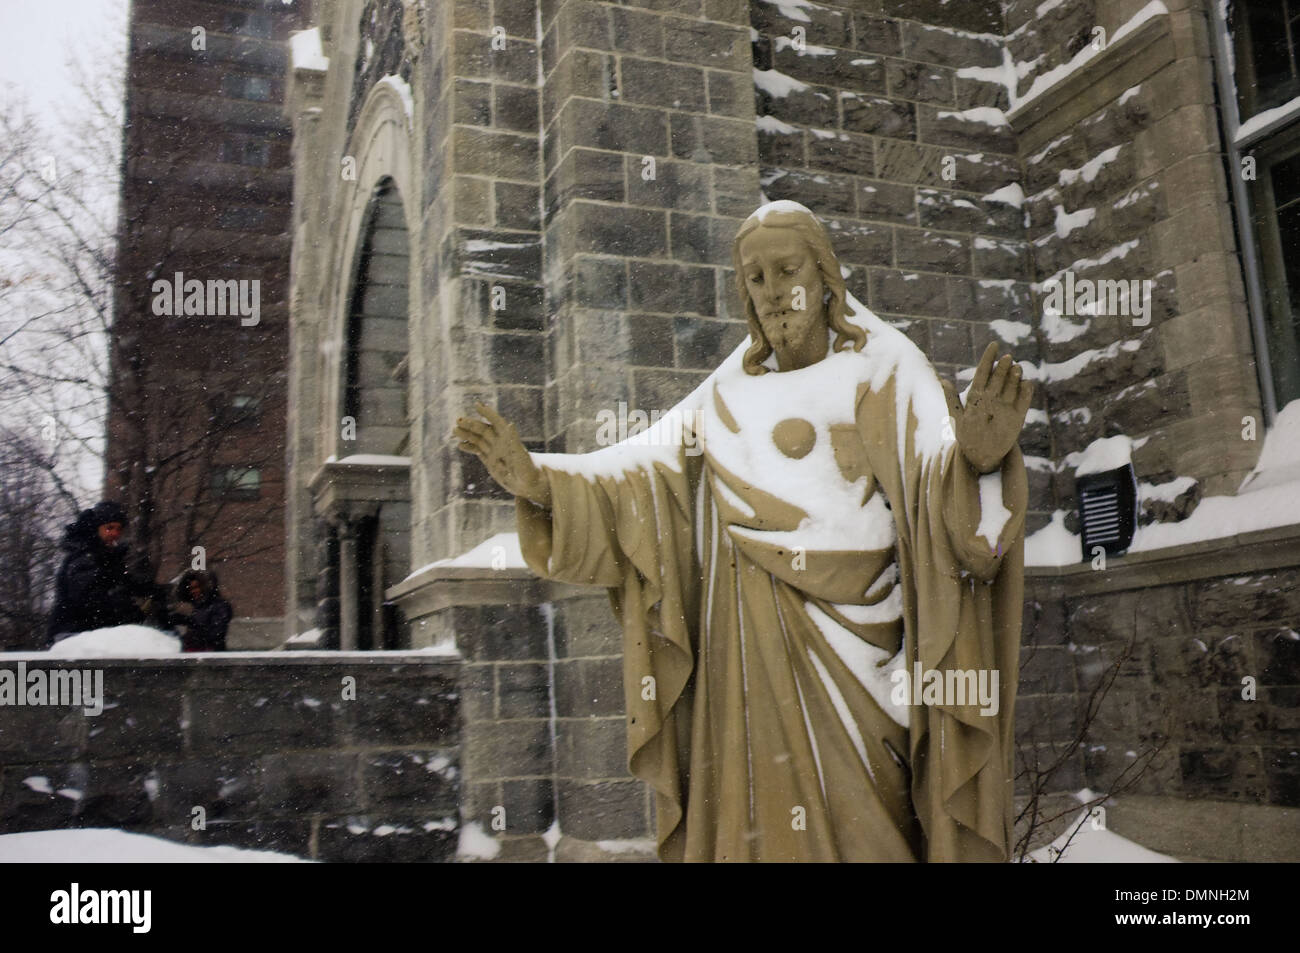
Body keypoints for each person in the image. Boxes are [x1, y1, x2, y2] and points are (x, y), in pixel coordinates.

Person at [456, 200, 1033, 862]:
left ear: (823, 277)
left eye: (785, 269)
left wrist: (979, 461)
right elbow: (634, 480)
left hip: (860, 674)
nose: (770, 292)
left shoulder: (886, 369)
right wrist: (538, 483)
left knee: (869, 834)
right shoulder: (725, 395)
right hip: (746, 680)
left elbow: (947, 506)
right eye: (753, 278)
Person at [47, 501, 157, 644]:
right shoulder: (84, 558)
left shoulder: (106, 558)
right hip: (73, 636)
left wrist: (149, 589)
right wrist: (127, 610)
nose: (115, 534)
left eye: (119, 529)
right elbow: (89, 601)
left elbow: (123, 581)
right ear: (96, 529)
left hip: (91, 634)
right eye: (109, 528)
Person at [169, 569, 232, 652]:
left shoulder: (219, 606)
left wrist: (191, 622)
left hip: (211, 656)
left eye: (196, 588)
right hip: (197, 655)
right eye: (190, 589)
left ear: (204, 587)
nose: (193, 592)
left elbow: (216, 634)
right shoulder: (199, 607)